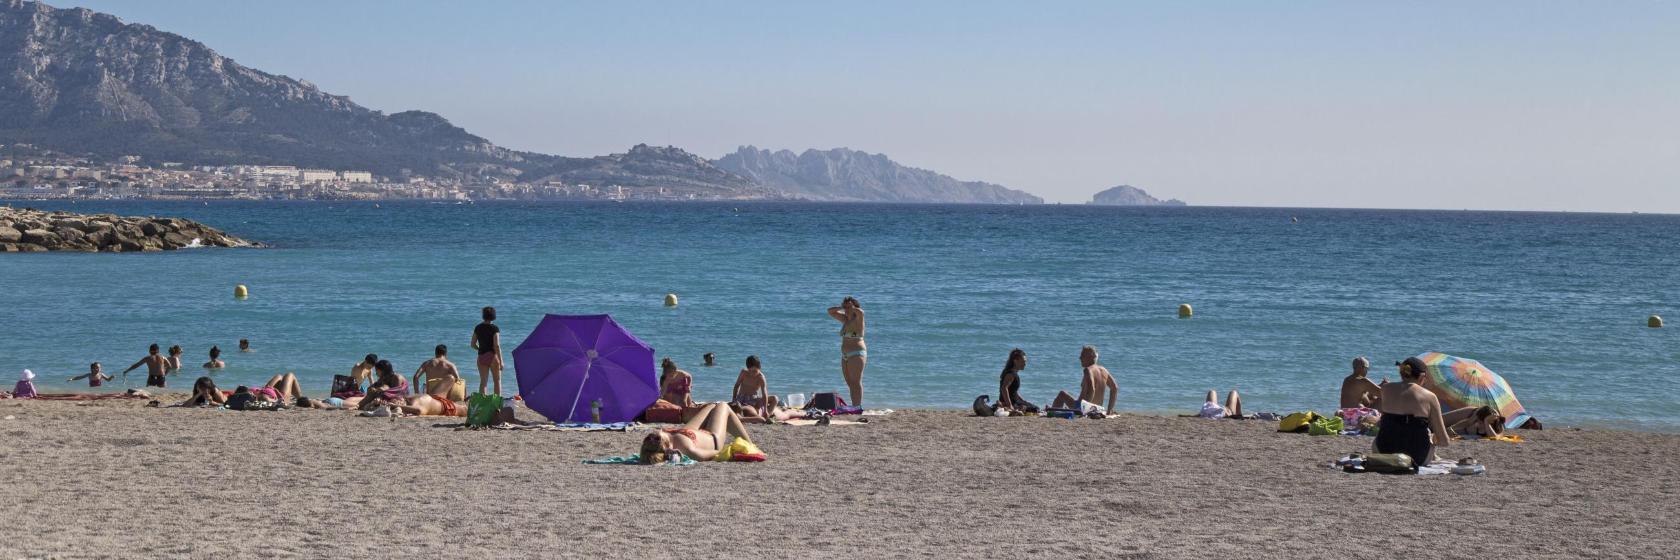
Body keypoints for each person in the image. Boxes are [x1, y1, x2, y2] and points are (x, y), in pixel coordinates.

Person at [1373, 357, 1450, 470]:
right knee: (1428, 434)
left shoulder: (1385, 389)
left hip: (1383, 452)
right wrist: (1433, 438)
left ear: (1402, 373)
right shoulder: (1430, 397)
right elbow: (1444, 441)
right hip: (1417, 457)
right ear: (1422, 376)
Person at [638, 402, 754, 464]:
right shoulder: (685, 448)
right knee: (723, 405)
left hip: (688, 432)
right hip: (713, 438)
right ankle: (750, 444)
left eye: (648, 438)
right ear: (666, 446)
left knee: (712, 406)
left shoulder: (665, 436)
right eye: (657, 439)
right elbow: (714, 453)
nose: (652, 436)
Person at [1048, 346, 1118, 417]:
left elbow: (1092, 389)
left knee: (1062, 394)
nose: (1080, 358)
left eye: (1082, 355)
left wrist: (1086, 410)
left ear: (1090, 357)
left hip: (1085, 408)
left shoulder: (1088, 370)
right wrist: (1109, 410)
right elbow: (1114, 387)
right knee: (1072, 399)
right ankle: (1055, 409)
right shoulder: (1104, 370)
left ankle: (1052, 412)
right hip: (1099, 409)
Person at [827, 296, 867, 407]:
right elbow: (830, 311)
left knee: (856, 382)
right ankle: (854, 405)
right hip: (845, 355)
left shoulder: (858, 318)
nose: (847, 309)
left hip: (857, 353)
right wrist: (842, 307)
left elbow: (861, 312)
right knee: (849, 382)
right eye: (846, 306)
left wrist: (852, 308)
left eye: (849, 306)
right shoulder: (845, 319)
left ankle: (857, 406)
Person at [470, 306, 503, 397]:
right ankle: (497, 405)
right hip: (493, 357)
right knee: (497, 381)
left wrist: (480, 349)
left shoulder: (478, 327)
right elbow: (496, 345)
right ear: (493, 316)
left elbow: (472, 344)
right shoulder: (494, 328)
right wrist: (501, 361)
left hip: (481, 357)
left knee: (483, 382)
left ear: (483, 315)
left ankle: (482, 404)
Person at [996, 349, 1039, 414]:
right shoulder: (1011, 374)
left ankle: (1004, 405)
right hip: (1013, 402)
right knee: (1036, 409)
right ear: (1015, 361)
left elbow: (1013, 391)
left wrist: (1022, 400)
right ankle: (1006, 406)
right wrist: (1010, 405)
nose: (1025, 364)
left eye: (1025, 362)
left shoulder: (1012, 372)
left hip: (1015, 400)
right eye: (1023, 361)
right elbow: (1004, 388)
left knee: (1031, 406)